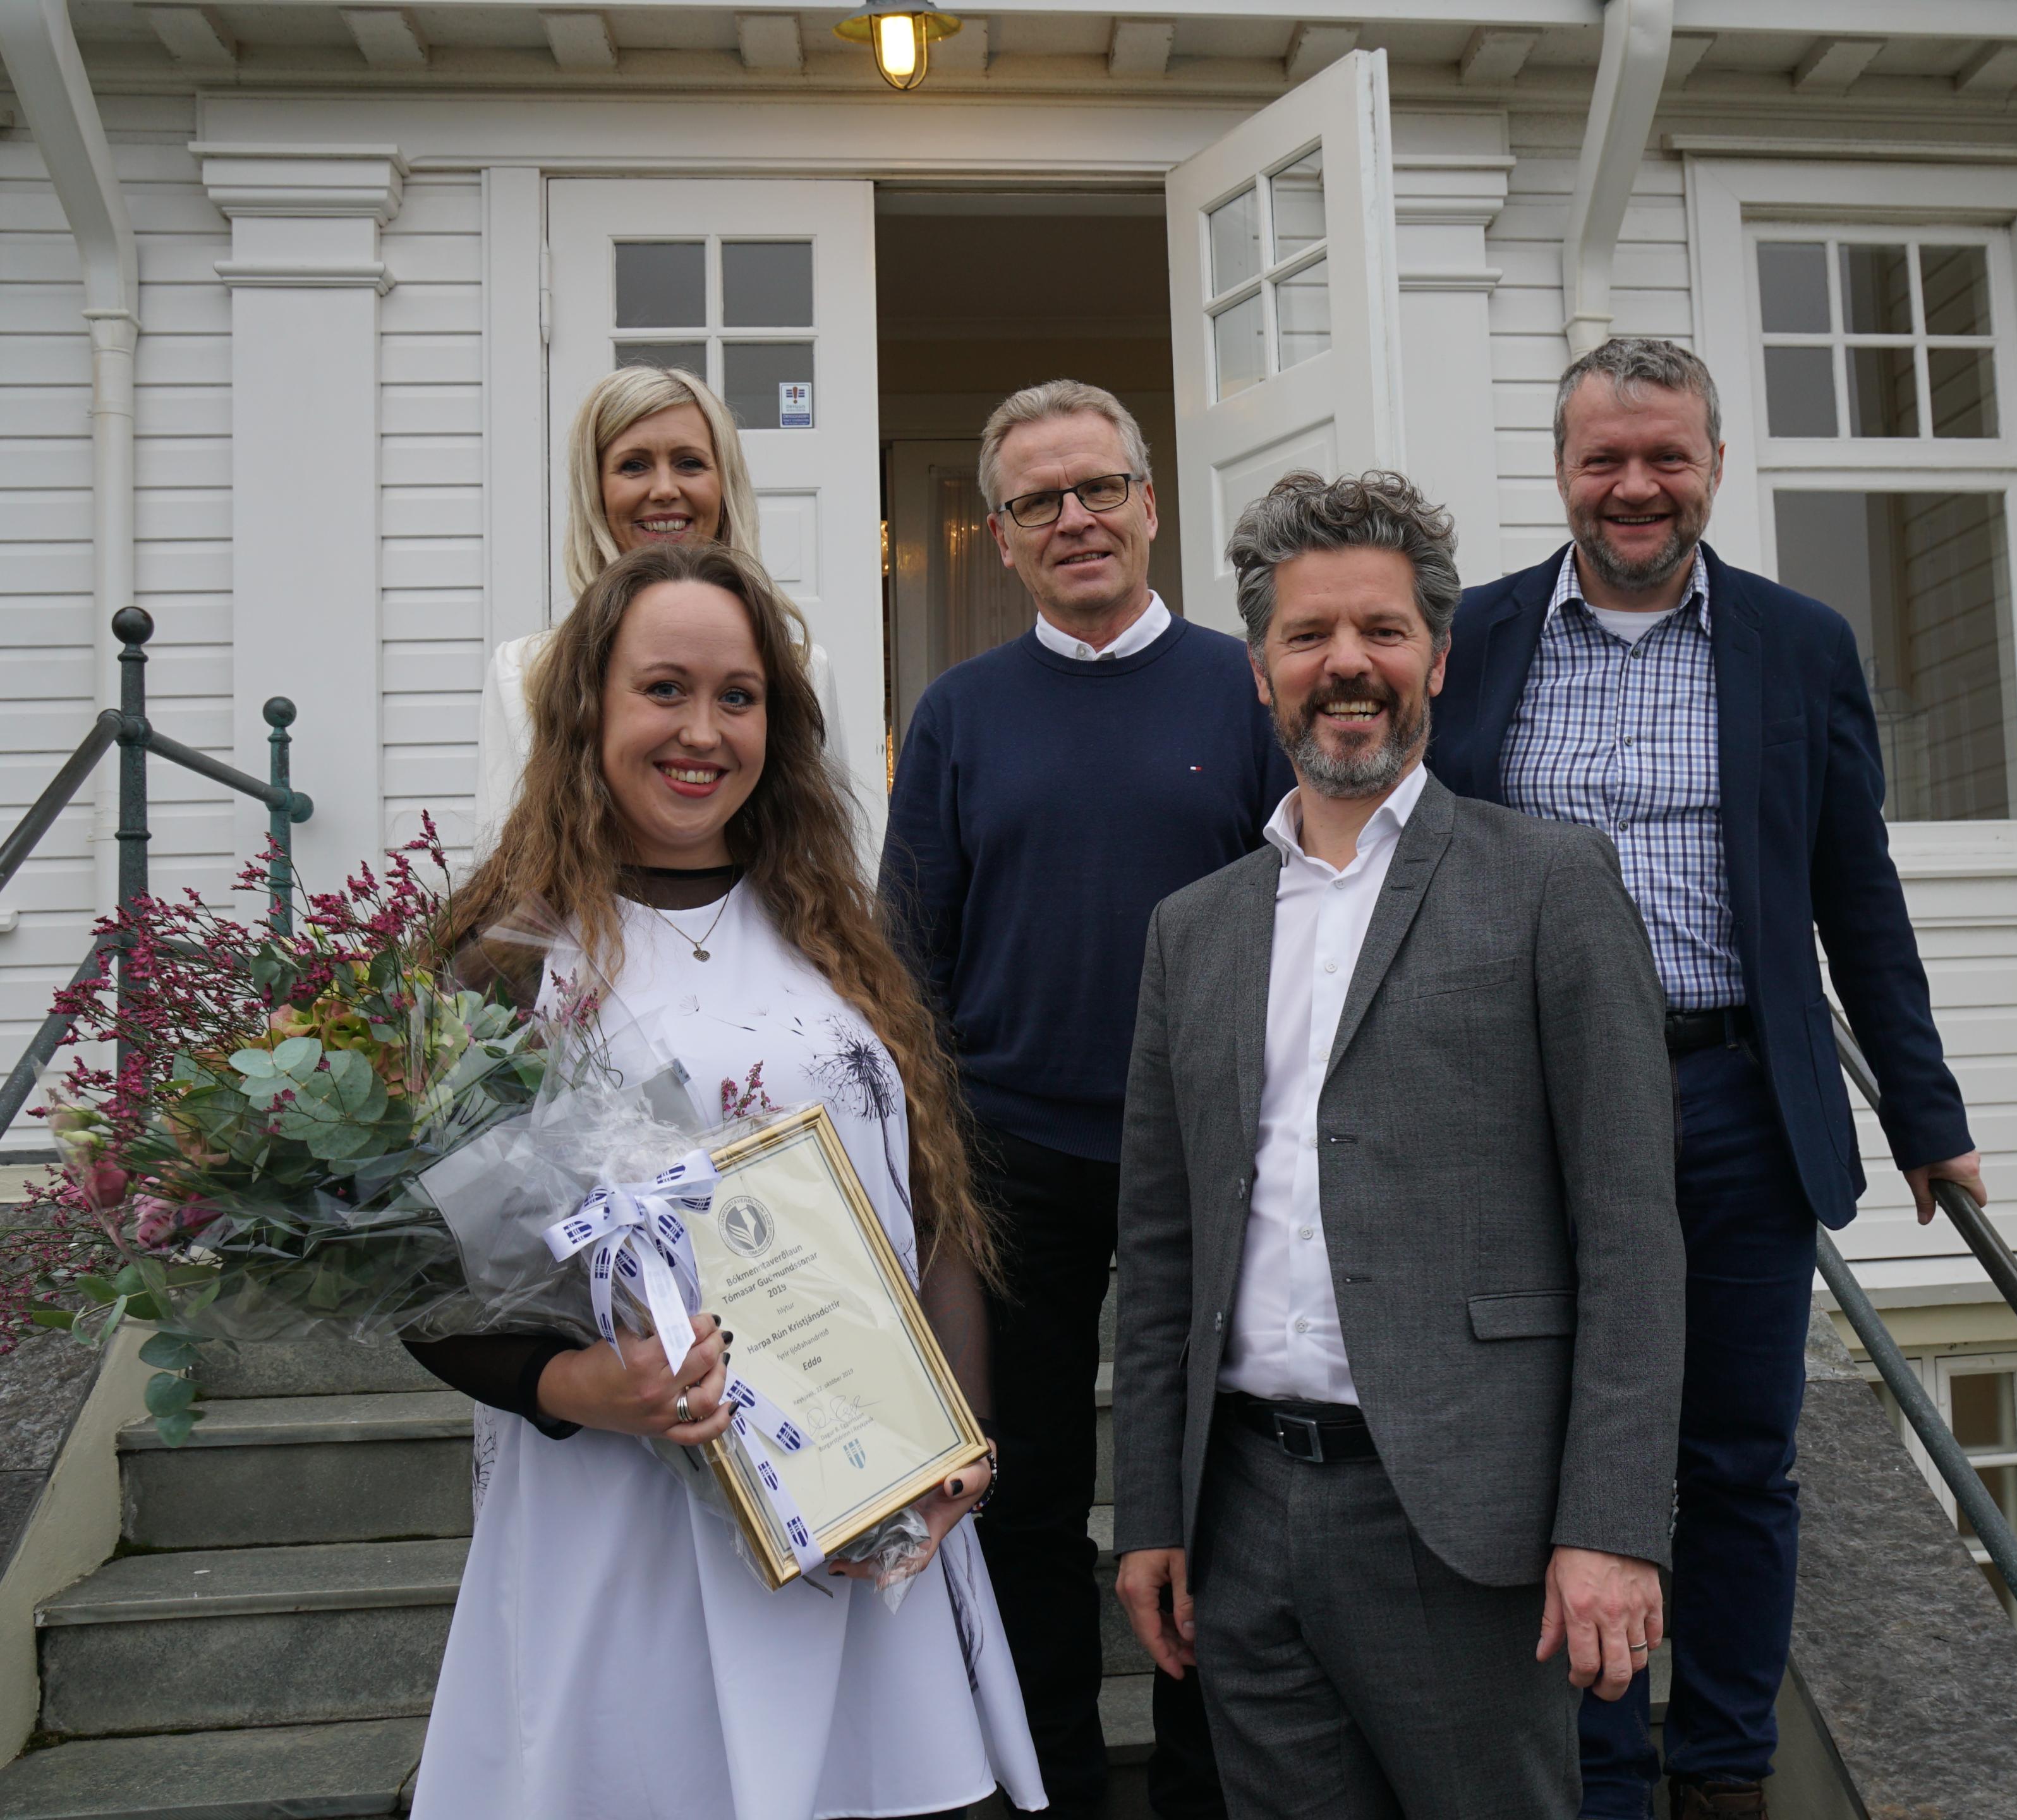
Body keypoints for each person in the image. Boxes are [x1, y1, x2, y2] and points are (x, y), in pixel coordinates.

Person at [1427, 338, 1986, 1820]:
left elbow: (1855, 893)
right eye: (1604, 458)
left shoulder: (1798, 643)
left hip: (1732, 1096)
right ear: (1561, 471)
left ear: (1715, 467)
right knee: (1564, 1454)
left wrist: (1925, 1115)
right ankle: (1602, 1773)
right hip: (1528, 1114)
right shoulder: (1470, 638)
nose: (1635, 486)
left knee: (1735, 1457)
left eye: (1665, 456)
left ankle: (1723, 1772)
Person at [408, 541, 1044, 1819]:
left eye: (738, 697)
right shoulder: (504, 961)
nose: (703, 732)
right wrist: (584, 1386)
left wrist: (958, 1438)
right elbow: (419, 1280)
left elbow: (927, 1210)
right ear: (586, 708)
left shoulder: (835, 936)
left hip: (859, 1513)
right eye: (665, 690)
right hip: (622, 1524)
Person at [1113, 470, 1685, 1820]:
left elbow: (1631, 1233)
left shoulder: (1550, 885)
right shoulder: (1192, 931)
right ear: (1261, 671)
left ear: (1436, 656)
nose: (1346, 665)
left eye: (1381, 630)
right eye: (1308, 635)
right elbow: (1162, 1251)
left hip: (1466, 1522)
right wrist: (1150, 1513)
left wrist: (1610, 1525)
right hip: (1243, 1519)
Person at [883, 379, 1289, 1819]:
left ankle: (1201, 1787)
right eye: (1037, 501)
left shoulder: (1250, 687)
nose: (1073, 518)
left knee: (1214, 1495)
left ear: (1149, 503)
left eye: (1097, 488)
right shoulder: (957, 716)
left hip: (1219, 1156)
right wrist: (922, 1161)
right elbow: (907, 958)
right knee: (1028, 1498)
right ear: (999, 535)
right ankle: (1047, 1781)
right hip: (1014, 1161)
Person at [473, 363, 837, 847]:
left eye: (689, 463)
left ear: (725, 486)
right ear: (595, 490)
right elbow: (505, 856)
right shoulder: (525, 673)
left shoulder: (799, 666)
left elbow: (821, 853)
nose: (665, 489)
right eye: (634, 465)